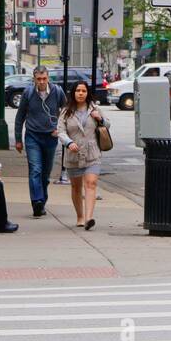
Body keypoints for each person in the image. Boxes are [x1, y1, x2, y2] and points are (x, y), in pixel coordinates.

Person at [14, 66, 65, 217]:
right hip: (32, 136)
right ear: (34, 79)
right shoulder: (28, 93)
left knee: (45, 173)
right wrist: (18, 139)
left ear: (48, 78)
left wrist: (60, 129)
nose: (42, 82)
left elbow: (66, 111)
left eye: (44, 79)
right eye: (38, 79)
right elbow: (20, 116)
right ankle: (36, 201)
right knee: (35, 169)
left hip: (50, 137)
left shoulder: (57, 92)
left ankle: (42, 200)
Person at [60, 81, 107, 230]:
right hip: (73, 154)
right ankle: (80, 216)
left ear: (87, 93)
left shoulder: (95, 109)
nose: (81, 93)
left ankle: (89, 218)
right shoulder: (66, 111)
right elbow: (60, 131)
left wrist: (99, 118)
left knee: (91, 183)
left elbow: (107, 125)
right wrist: (68, 142)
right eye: (78, 91)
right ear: (73, 93)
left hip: (92, 153)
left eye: (84, 91)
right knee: (76, 187)